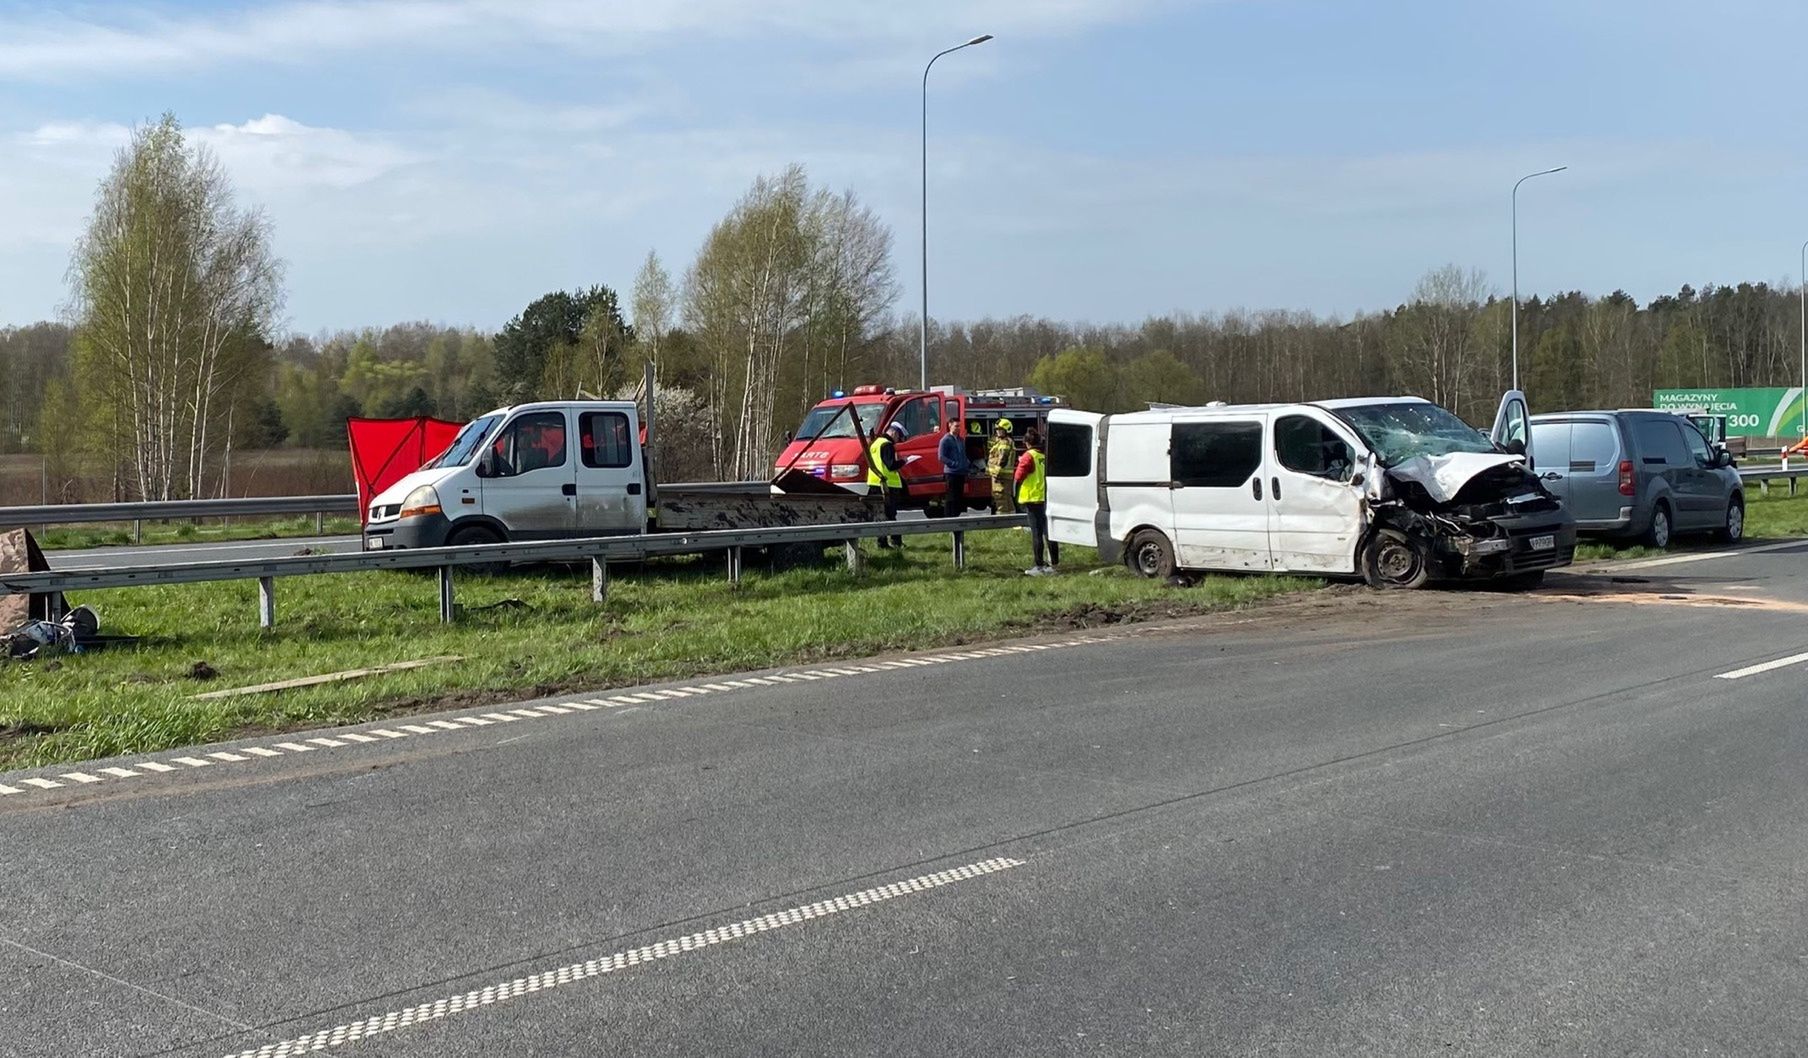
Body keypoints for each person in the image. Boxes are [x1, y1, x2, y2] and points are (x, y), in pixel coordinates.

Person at [1015, 426, 1059, 575]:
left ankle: (1039, 565)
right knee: (1050, 533)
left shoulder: (1028, 456)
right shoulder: (1044, 456)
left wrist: (1015, 497)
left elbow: (1018, 477)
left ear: (1027, 443)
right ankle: (1055, 565)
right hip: (1047, 498)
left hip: (1033, 499)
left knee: (1036, 534)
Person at [866, 420, 907, 548]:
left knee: (880, 515)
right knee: (890, 514)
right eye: (898, 436)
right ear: (893, 432)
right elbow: (890, 465)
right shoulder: (887, 444)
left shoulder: (875, 443)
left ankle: (881, 542)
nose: (898, 440)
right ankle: (895, 541)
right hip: (887, 485)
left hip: (874, 483)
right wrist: (903, 461)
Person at [938, 420, 970, 518]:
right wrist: (953, 464)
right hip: (951, 473)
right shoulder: (945, 440)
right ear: (950, 426)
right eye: (956, 426)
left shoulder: (961, 440)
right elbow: (941, 456)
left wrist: (966, 464)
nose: (958, 428)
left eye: (959, 426)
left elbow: (963, 454)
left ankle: (956, 518)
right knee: (951, 497)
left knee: (958, 498)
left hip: (961, 472)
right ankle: (949, 519)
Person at [987, 421, 1017, 515]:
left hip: (1001, 475)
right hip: (1003, 474)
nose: (998, 431)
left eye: (1000, 429)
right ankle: (1012, 519)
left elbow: (1003, 458)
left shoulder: (1005, 442)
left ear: (1007, 430)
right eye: (997, 429)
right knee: (1007, 497)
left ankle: (1002, 519)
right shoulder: (1002, 441)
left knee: (1000, 497)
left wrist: (996, 472)